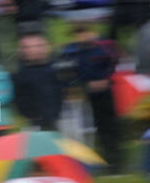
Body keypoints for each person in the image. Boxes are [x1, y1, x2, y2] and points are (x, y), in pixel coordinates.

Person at [63, 25, 121, 172]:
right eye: (79, 33)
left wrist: (105, 80)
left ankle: (115, 163)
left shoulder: (103, 48)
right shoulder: (72, 52)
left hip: (106, 94)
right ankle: (97, 163)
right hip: (86, 97)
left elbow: (113, 65)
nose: (82, 36)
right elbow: (71, 73)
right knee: (93, 130)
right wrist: (85, 84)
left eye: (84, 32)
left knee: (110, 129)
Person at [13, 32, 63, 132]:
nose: (33, 50)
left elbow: (59, 92)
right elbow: (20, 97)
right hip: (32, 121)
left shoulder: (53, 69)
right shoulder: (21, 74)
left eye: (38, 46)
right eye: (27, 47)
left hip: (54, 117)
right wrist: (30, 115)